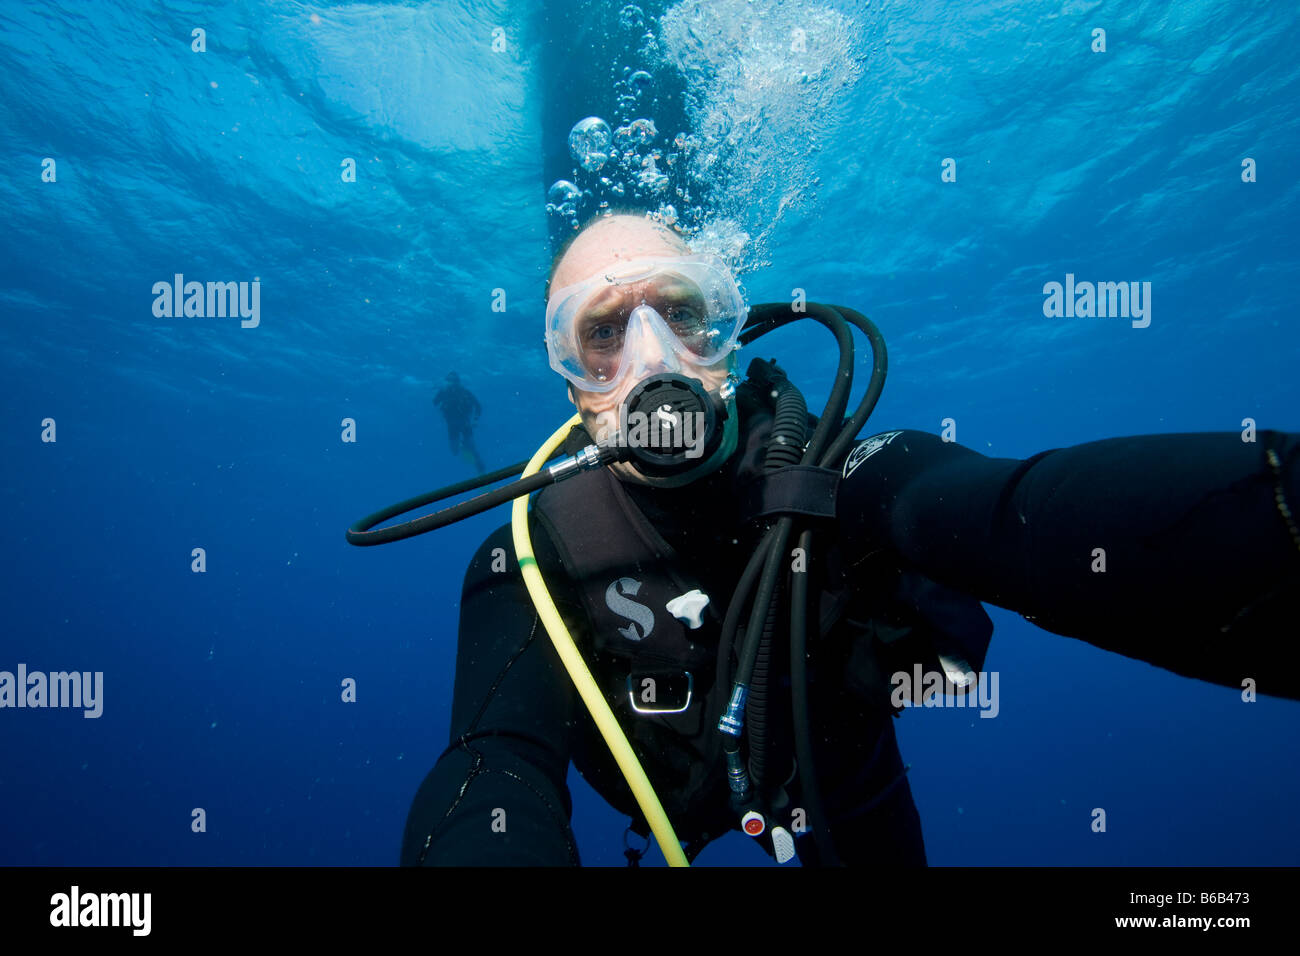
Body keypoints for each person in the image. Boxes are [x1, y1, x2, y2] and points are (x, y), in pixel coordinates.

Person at [400, 213, 1300, 867]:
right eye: (602, 332)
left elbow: (1017, 511)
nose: (653, 357)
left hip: (847, 786)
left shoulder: (845, 467)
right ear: (572, 383)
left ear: (725, 337)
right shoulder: (530, 552)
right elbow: (492, 764)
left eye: (681, 313)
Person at [433, 372, 485, 472]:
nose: (453, 384)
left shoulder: (465, 392)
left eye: (455, 381)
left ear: (458, 382)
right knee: (454, 451)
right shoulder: (444, 392)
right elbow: (435, 402)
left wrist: (475, 420)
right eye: (450, 381)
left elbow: (478, 406)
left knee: (471, 445)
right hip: (452, 425)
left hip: (465, 423)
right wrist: (438, 388)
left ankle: (478, 464)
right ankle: (462, 446)